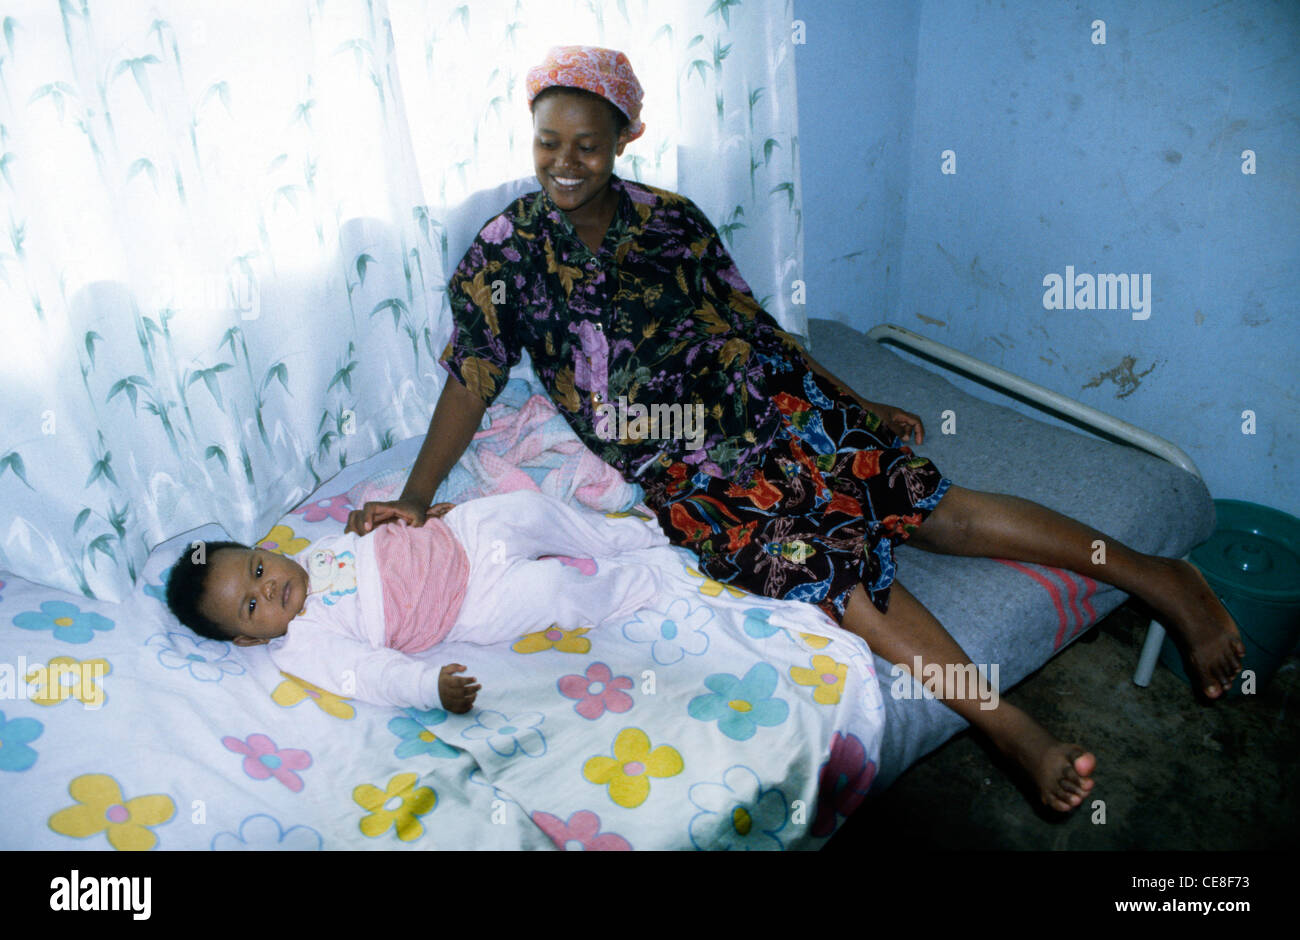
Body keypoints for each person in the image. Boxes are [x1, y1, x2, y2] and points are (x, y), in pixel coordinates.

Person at [344, 45, 1245, 813]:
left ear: (627, 139)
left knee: (935, 512)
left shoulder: (672, 222)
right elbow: (473, 380)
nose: (565, 162)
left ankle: (1153, 572)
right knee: (825, 569)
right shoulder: (504, 251)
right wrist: (414, 499)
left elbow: (755, 324)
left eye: (588, 143)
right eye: (548, 142)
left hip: (764, 395)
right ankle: (1004, 724)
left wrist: (849, 401)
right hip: (679, 454)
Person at [165, 489, 670, 712]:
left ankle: (620, 537)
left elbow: (382, 534)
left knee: (529, 510)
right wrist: (428, 686)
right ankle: (645, 586)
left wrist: (422, 515)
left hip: (463, 537)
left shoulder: (315, 551)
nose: (269, 587)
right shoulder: (303, 642)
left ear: (266, 550)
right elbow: (368, 674)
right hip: (468, 603)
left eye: (258, 570)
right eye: (252, 606)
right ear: (248, 640)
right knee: (554, 591)